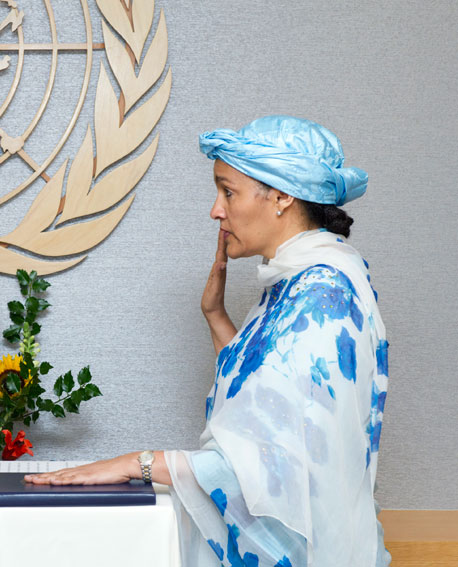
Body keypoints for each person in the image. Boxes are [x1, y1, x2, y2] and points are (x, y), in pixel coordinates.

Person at [26, 116, 391, 566]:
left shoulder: (322, 297)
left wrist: (137, 464)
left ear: (281, 196)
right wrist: (216, 316)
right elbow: (268, 405)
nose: (216, 210)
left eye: (228, 191)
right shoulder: (303, 281)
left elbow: (273, 466)